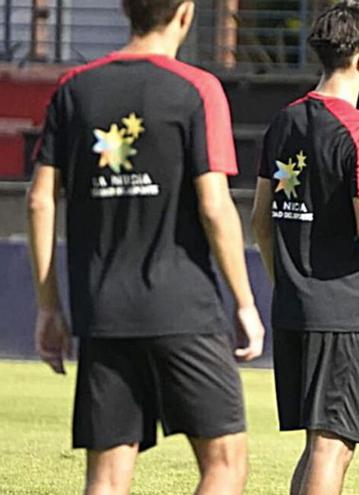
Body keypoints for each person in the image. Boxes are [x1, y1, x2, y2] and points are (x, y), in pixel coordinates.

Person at [26, 1, 265, 493]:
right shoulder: (198, 89)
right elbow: (215, 206)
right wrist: (244, 301)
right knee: (225, 462)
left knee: (108, 475)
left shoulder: (75, 89)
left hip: (102, 310)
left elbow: (38, 201)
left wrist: (49, 306)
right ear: (185, 14)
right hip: (183, 309)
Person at [250, 2, 359, 494]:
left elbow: (261, 221)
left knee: (316, 441)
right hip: (340, 308)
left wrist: (283, 281)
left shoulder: (283, 122)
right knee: (333, 443)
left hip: (292, 307)